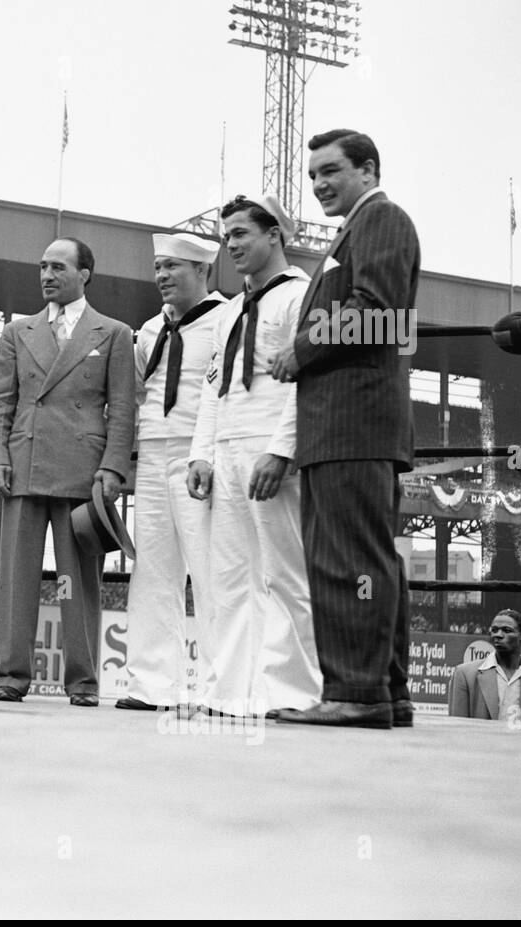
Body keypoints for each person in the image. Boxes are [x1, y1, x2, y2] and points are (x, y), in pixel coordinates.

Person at [271, 129, 419, 729]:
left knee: (347, 559)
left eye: (331, 170)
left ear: (368, 169)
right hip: (351, 424)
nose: (319, 184)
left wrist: (300, 351)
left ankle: (355, 694)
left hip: (351, 423)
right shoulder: (359, 228)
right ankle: (384, 692)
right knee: (368, 558)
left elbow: (376, 313)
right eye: (312, 176)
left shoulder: (381, 221)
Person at [0, 237, 135, 706]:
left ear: (84, 274)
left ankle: (84, 680)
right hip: (24, 466)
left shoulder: (113, 333)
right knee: (16, 578)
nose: (47, 275)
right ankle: (10, 674)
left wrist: (112, 468)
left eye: (58, 267)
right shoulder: (18, 332)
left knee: (78, 580)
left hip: (82, 472)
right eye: (42, 267)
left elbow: (124, 409)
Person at [187, 195, 322, 718]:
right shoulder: (227, 312)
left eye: (241, 233)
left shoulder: (299, 296)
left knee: (284, 575)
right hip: (227, 452)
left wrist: (282, 450)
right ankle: (231, 693)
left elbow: (304, 382)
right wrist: (201, 453)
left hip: (269, 452)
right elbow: (212, 387)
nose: (231, 245)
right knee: (229, 579)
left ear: (275, 235)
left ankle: (290, 694)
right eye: (226, 237)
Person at [117, 233, 226, 712]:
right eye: (158, 267)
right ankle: (151, 685)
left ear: (202, 271)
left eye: (173, 267)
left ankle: (220, 685)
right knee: (154, 570)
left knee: (207, 570)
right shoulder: (148, 329)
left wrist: (208, 453)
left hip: (199, 454)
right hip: (154, 452)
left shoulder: (227, 320)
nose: (161, 276)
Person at [447, 610, 521, 723]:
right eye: (494, 630)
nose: (498, 635)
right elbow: (457, 729)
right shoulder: (465, 675)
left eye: (507, 630)